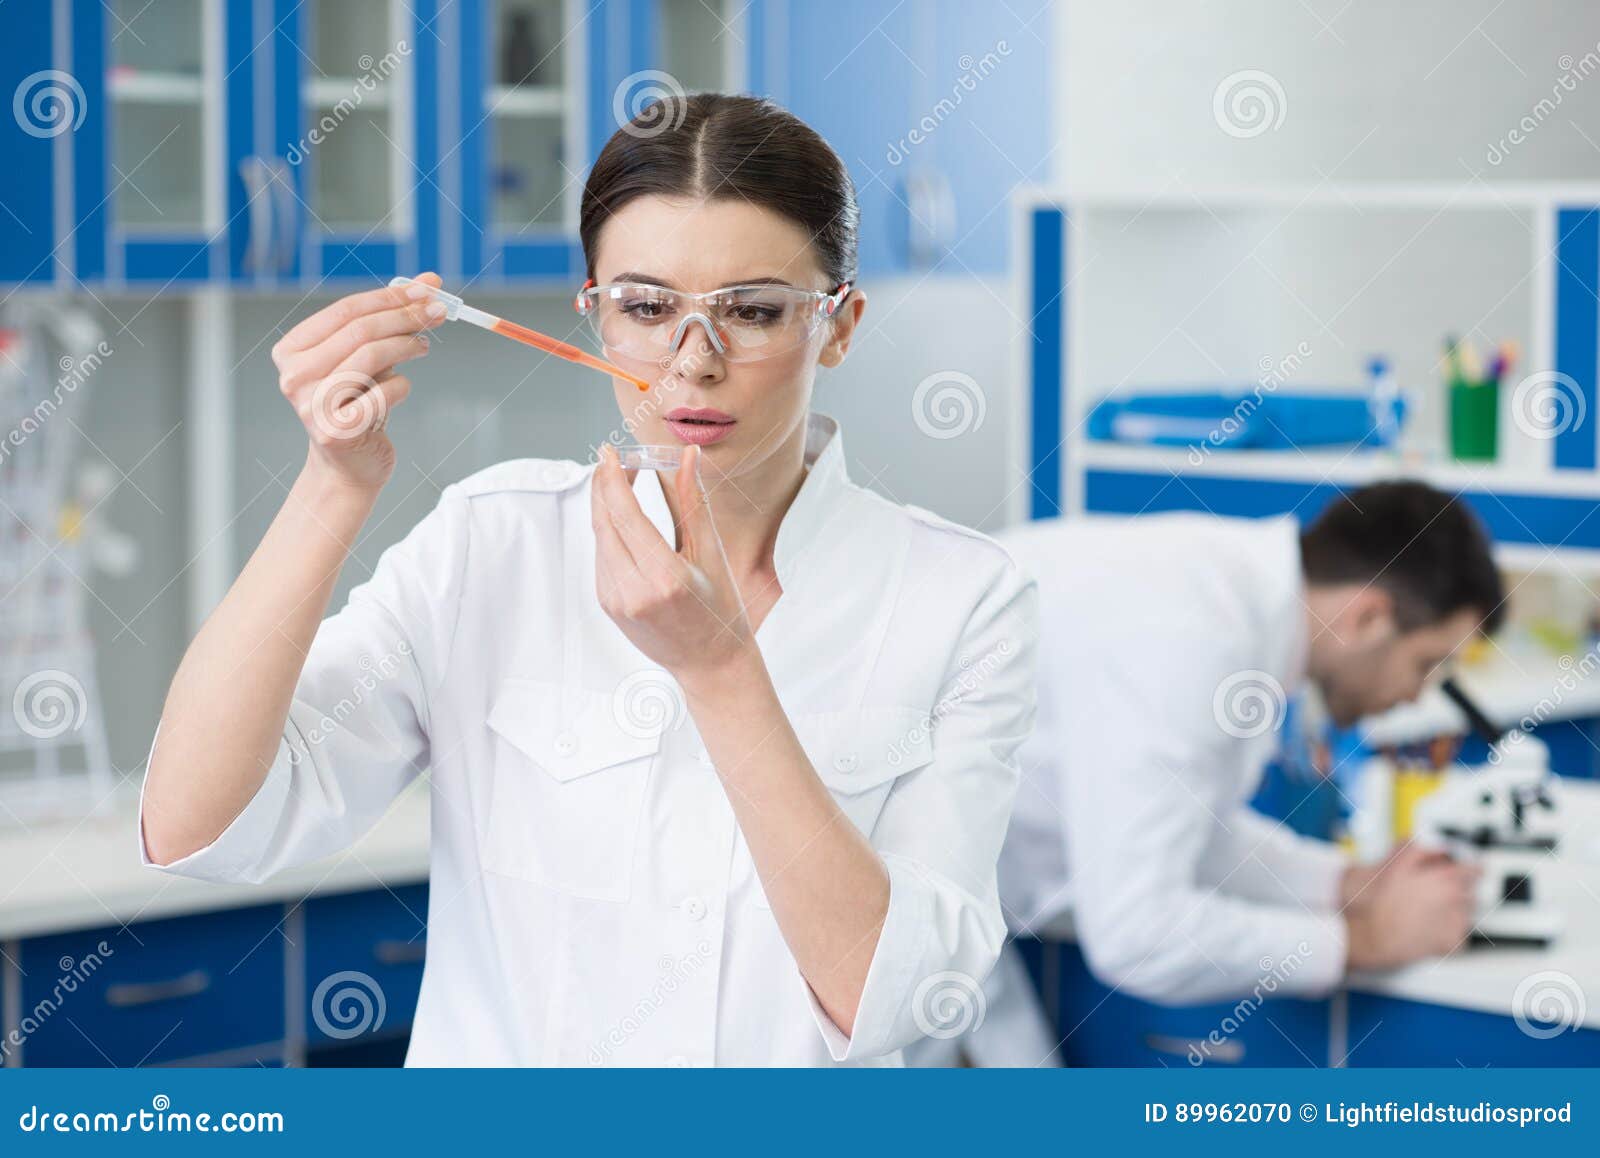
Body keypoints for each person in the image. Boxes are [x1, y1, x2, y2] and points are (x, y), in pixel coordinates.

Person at [138, 94, 1037, 1067]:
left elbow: (900, 1003)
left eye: (753, 311)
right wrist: (331, 483)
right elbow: (199, 825)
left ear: (842, 324)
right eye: (648, 308)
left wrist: (721, 672)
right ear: (596, 313)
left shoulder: (965, 598)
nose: (693, 365)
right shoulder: (491, 544)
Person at [935, 482, 1500, 1065]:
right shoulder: (1194, 636)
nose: (1415, 696)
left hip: (944, 924)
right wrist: (1366, 939)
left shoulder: (1232, 601)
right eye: (1425, 664)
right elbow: (1136, 931)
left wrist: (1344, 885)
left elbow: (1187, 830)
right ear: (1368, 618)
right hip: (877, 927)